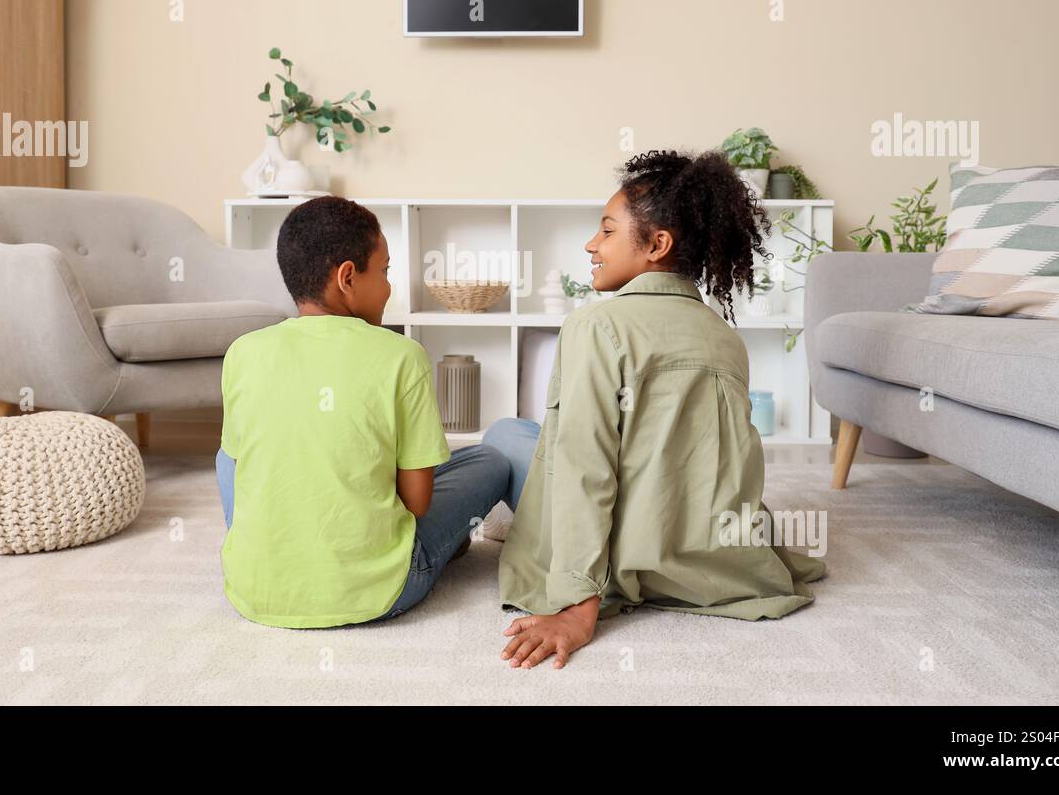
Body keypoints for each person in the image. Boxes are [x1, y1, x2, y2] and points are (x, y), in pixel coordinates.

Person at [484, 150, 827, 669]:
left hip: (619, 556)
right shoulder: (724, 337)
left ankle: (516, 525)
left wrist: (578, 604)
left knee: (507, 434)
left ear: (657, 245)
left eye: (605, 231)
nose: (590, 244)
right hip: (708, 553)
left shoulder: (595, 326)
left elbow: (585, 464)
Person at [216, 195, 509, 628]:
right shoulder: (402, 355)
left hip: (253, 591)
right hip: (381, 591)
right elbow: (417, 502)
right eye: (385, 270)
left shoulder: (243, 352)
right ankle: (441, 546)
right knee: (490, 459)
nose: (390, 286)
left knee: (228, 456)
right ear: (347, 277)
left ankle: (276, 548)